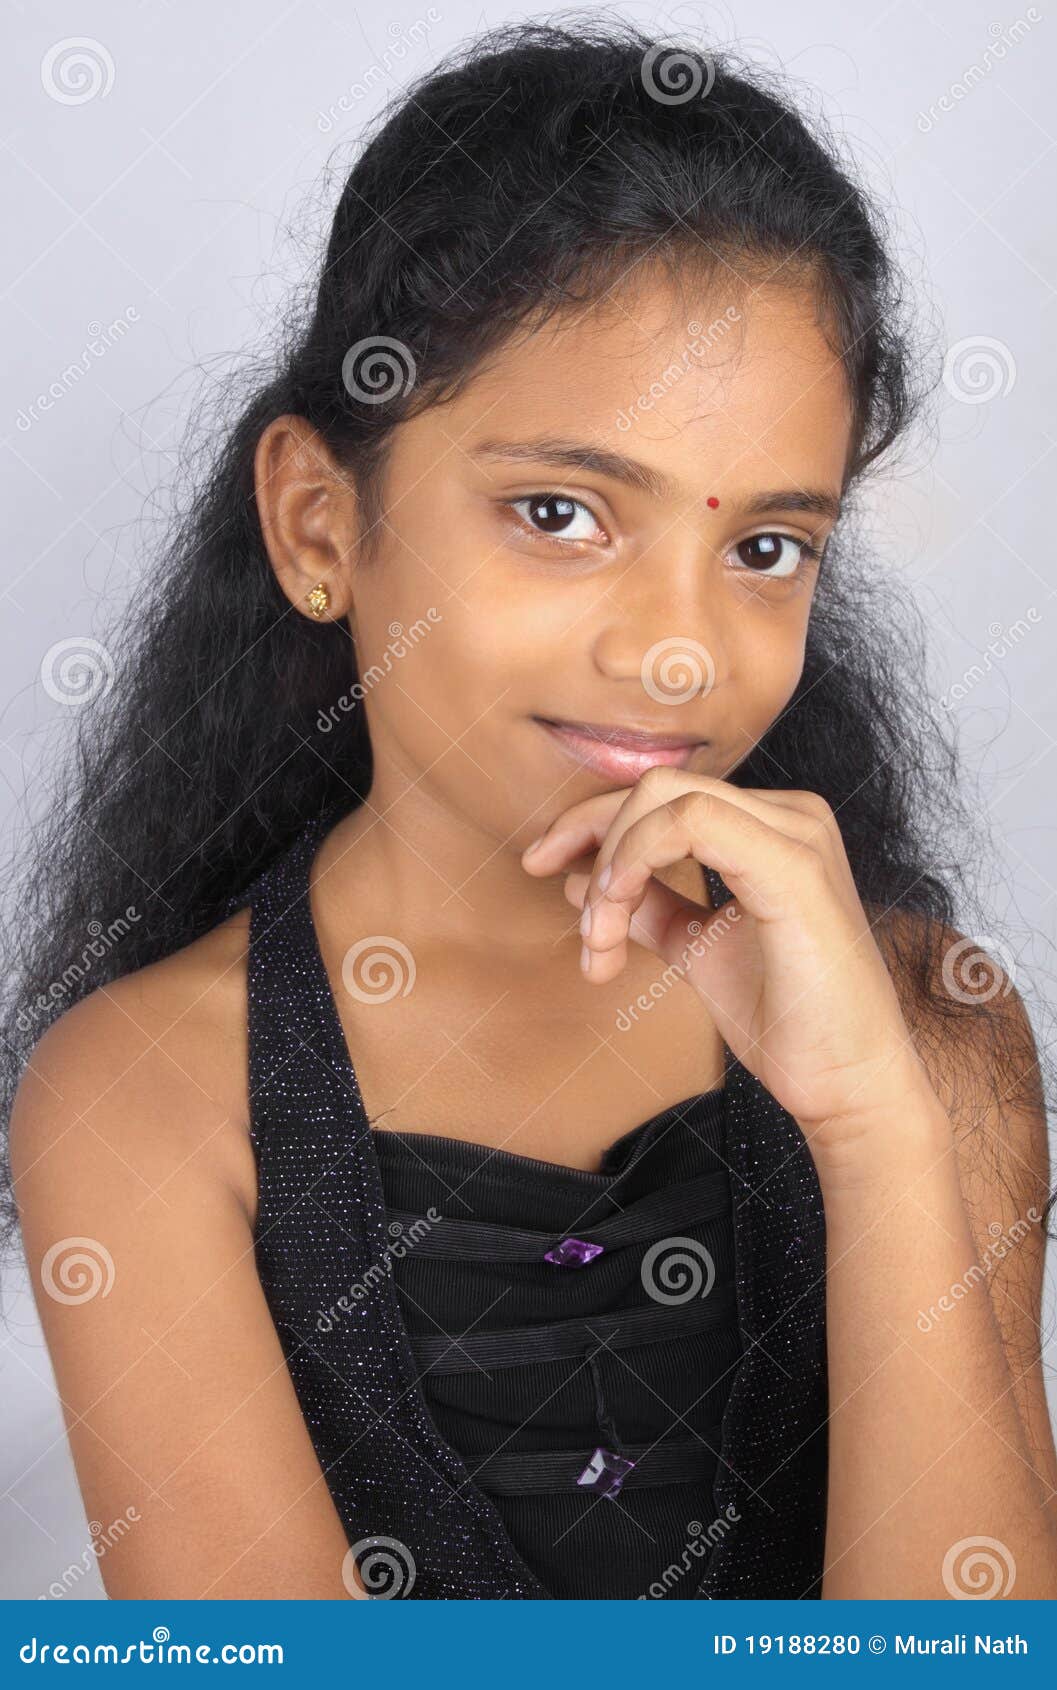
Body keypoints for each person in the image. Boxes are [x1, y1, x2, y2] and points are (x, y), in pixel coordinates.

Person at [4, 20, 1056, 1601]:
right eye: (559, 513)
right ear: (317, 524)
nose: (678, 649)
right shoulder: (144, 1093)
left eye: (766, 545)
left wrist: (875, 1125)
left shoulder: (938, 1028)